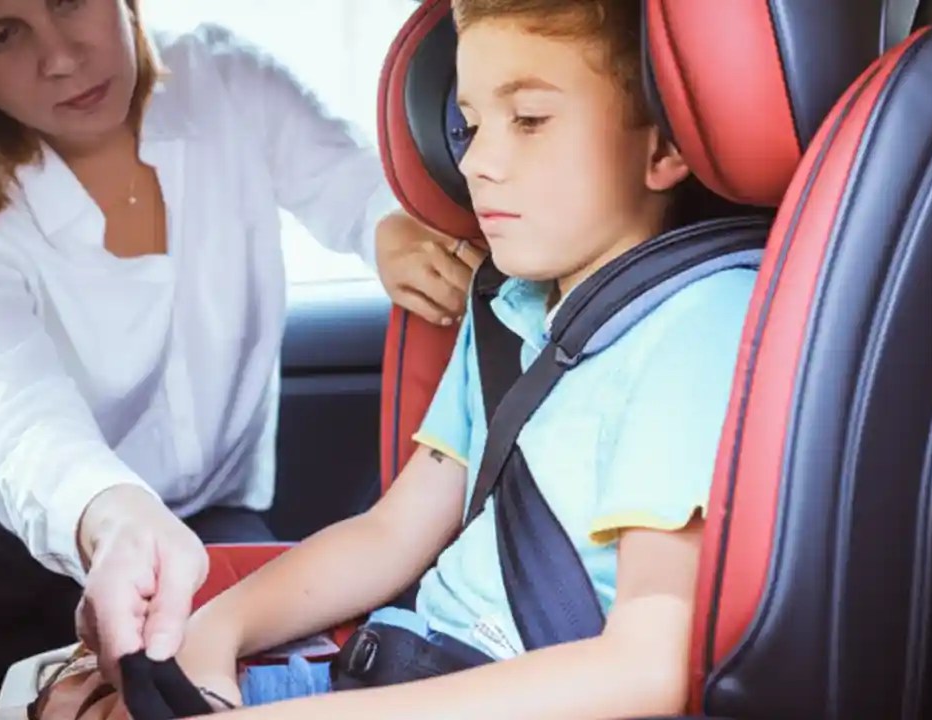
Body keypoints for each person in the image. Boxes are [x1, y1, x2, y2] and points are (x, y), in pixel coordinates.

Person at [38, 0, 758, 717]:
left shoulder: (700, 326)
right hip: (400, 668)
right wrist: (214, 631)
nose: (477, 161)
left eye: (529, 120)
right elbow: (393, 532)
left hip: (495, 688)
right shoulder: (511, 311)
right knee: (72, 694)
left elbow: (648, 669)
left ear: (662, 147)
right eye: (469, 126)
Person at [0, 0, 475, 717]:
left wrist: (388, 230)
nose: (61, 58)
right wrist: (110, 515)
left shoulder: (226, 81)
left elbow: (354, 183)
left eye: (69, 1)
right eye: (0, 36)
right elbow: (20, 421)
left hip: (192, 513)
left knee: (246, 677)